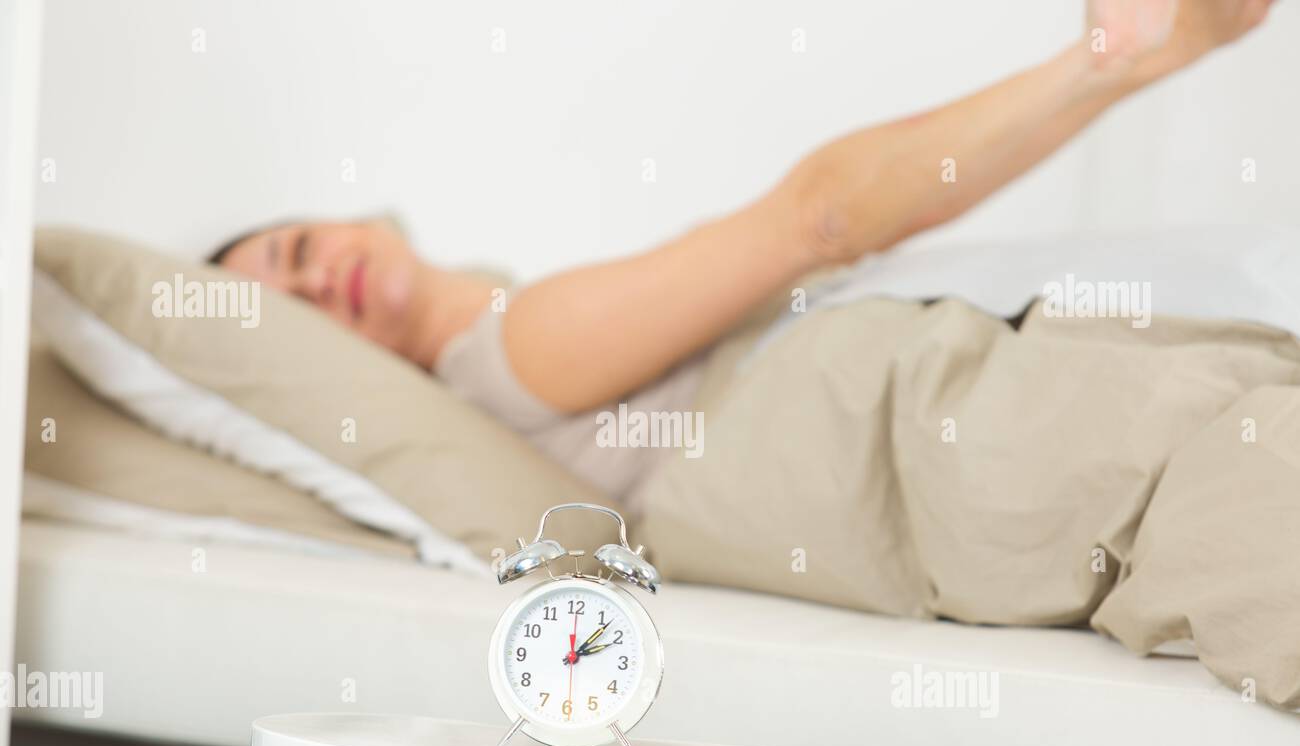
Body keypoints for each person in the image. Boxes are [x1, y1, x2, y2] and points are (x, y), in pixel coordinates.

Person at [212, 0, 1274, 504]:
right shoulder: (510, 351)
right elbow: (821, 220)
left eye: (298, 246)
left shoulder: (521, 323)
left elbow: (848, 227)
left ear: (359, 217)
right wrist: (1106, 63)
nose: (317, 278)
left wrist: (1126, 67)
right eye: (296, 306)